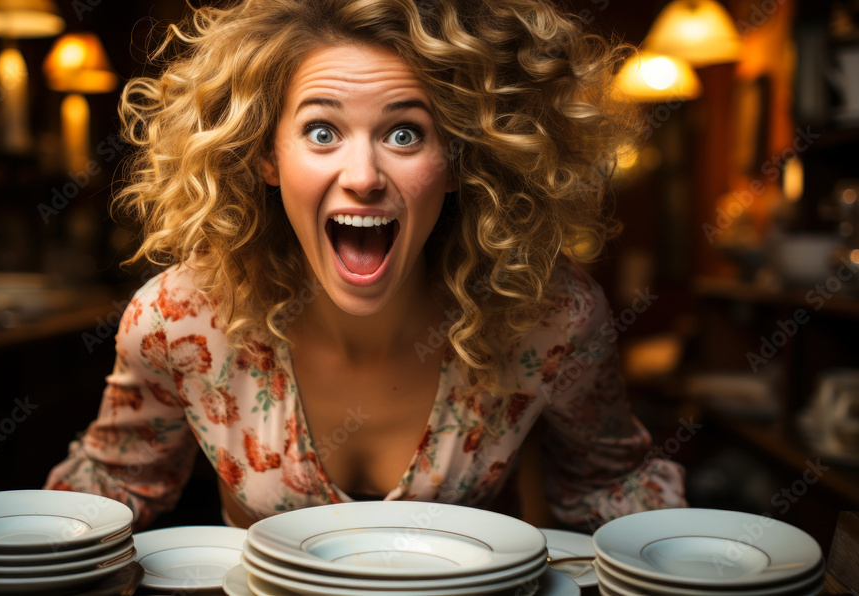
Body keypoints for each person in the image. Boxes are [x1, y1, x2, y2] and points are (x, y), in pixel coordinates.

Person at [45, 0, 686, 531]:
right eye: (322, 132)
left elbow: (613, 491)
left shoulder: (551, 319)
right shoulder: (178, 321)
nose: (363, 177)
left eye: (404, 134)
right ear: (266, 157)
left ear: (460, 161)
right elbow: (108, 491)